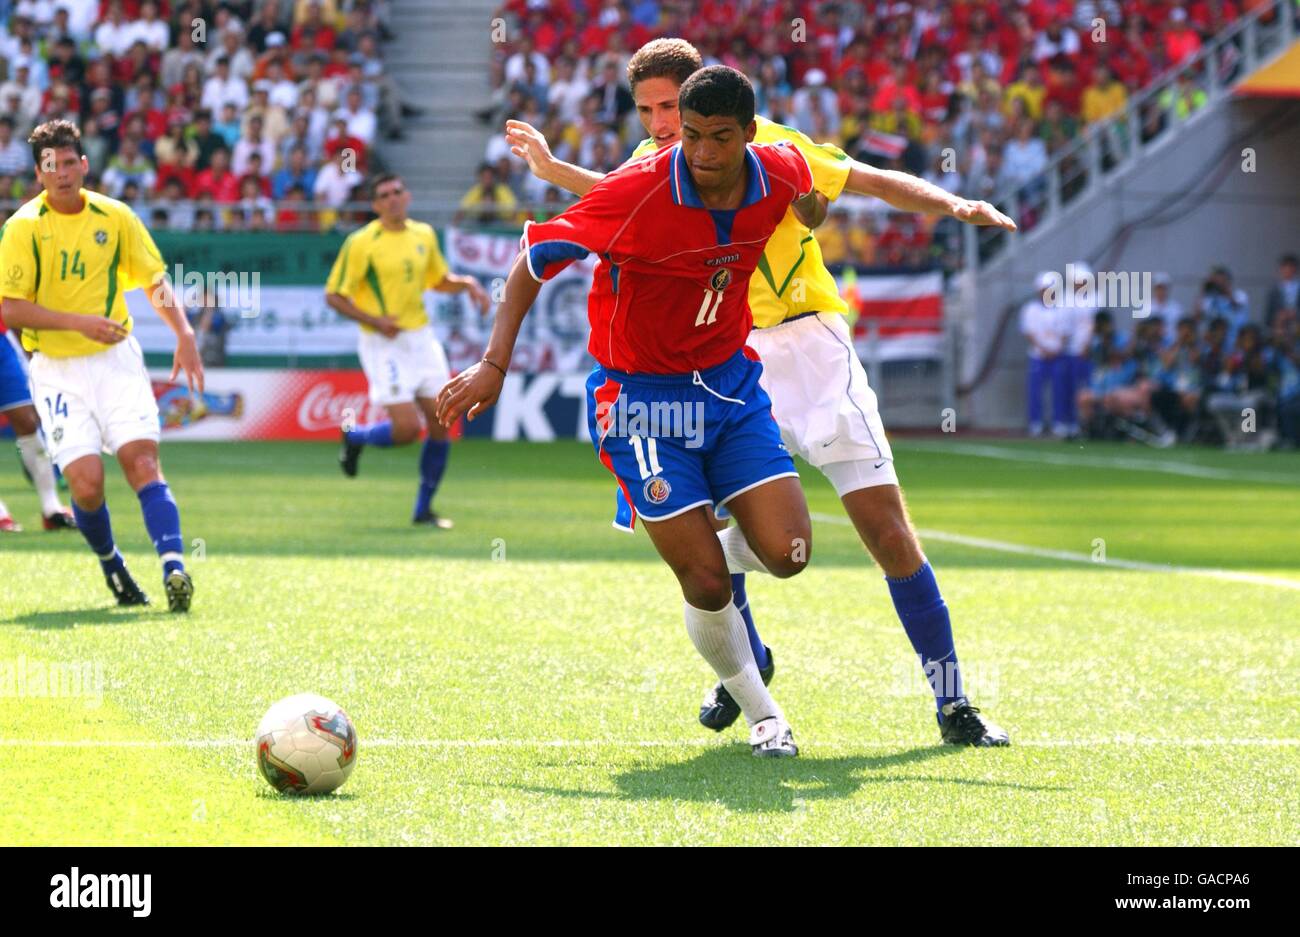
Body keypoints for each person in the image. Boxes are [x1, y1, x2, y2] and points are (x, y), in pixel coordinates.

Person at [504, 38, 1013, 746]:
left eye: (667, 106)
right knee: (706, 531)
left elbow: (857, 181)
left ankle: (953, 698)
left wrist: (953, 205)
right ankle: (744, 662)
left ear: (711, 101)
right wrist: (557, 172)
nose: (657, 123)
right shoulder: (657, 165)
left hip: (808, 348)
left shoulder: (770, 147)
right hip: (709, 363)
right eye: (648, 111)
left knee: (888, 530)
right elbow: (612, 208)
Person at [439, 66, 825, 757]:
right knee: (706, 579)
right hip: (642, 401)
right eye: (693, 135)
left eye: (720, 138)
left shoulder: (780, 167)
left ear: (750, 134)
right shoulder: (640, 191)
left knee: (791, 554)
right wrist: (494, 364)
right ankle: (766, 716)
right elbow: (533, 257)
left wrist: (812, 210)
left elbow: (808, 188)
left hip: (731, 390)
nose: (701, 152)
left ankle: (689, 540)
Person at [0, 119, 201, 610]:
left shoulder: (115, 217)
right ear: (39, 174)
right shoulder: (23, 227)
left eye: (70, 162)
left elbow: (154, 278)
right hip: (55, 371)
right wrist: (78, 322)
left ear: (84, 165)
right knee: (87, 487)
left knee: (143, 462)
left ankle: (174, 566)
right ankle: (113, 566)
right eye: (52, 165)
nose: (63, 173)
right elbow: (9, 307)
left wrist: (184, 332)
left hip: (116, 363)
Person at [327, 172, 490, 527]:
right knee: (405, 431)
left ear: (407, 195)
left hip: (421, 339)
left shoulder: (424, 234)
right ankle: (356, 437)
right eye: (384, 195)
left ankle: (423, 510)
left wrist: (468, 284)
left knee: (441, 421)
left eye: (397, 191)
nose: (393, 198)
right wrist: (375, 319)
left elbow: (437, 280)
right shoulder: (361, 242)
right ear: (375, 205)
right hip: (383, 342)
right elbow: (334, 295)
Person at [0, 310, 76, 531]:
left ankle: (51, 509)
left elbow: (11, 307)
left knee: (28, 421)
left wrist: (32, 353)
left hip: (2, 346)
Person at [1022, 271, 1064, 437]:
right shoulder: (1031, 309)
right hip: (1038, 356)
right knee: (1035, 391)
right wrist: (1044, 349)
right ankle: (1035, 423)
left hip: (1057, 355)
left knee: (1058, 390)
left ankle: (1058, 422)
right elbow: (1029, 332)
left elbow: (1064, 332)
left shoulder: (1061, 308)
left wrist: (1056, 349)